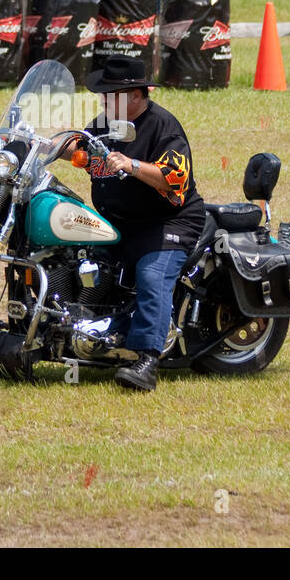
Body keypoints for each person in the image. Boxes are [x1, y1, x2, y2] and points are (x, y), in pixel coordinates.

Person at [71, 55, 206, 391]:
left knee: (152, 275)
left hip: (168, 222)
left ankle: (146, 360)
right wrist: (38, 145)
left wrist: (130, 164)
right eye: (103, 94)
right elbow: (79, 144)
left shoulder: (163, 125)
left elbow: (176, 179)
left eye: (111, 94)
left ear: (135, 95)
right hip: (118, 222)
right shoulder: (105, 122)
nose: (103, 100)